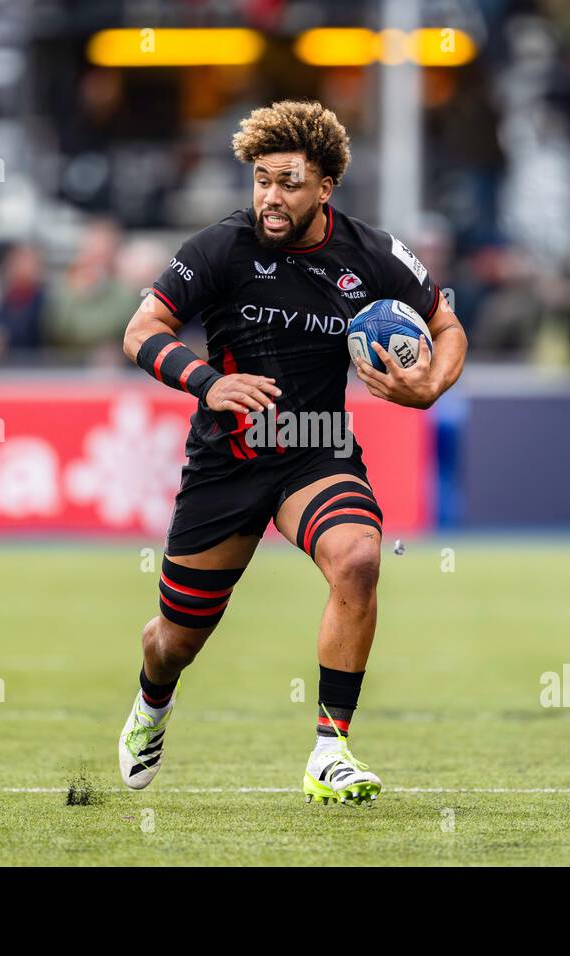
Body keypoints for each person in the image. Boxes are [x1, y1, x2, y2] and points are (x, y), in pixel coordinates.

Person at [117, 100, 467, 805]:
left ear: (325, 187)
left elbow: (445, 323)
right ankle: (152, 707)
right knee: (173, 642)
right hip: (228, 459)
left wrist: (431, 380)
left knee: (360, 558)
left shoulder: (372, 254)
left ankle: (330, 751)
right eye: (260, 180)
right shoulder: (221, 247)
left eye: (288, 182)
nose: (270, 197)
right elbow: (140, 329)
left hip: (316, 450)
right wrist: (207, 381)